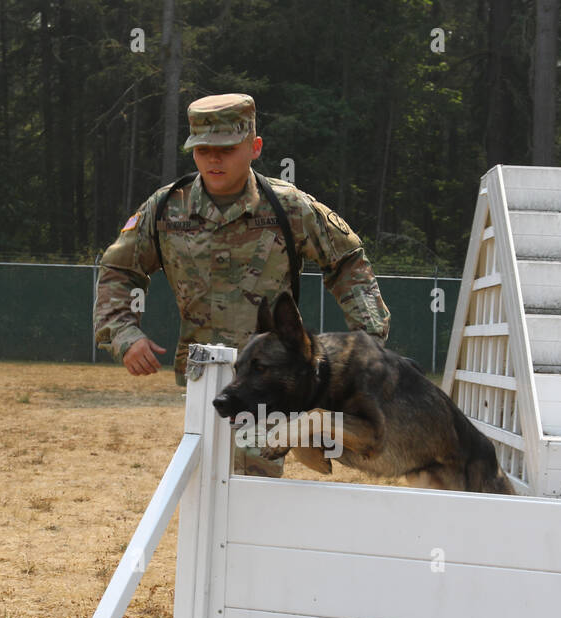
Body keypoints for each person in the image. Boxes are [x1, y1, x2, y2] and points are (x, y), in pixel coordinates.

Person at [92, 93, 391, 476]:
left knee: (251, 476)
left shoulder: (288, 208)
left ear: (255, 147)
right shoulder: (167, 208)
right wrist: (124, 332)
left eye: (227, 149)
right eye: (202, 150)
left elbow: (348, 263)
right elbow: (119, 269)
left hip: (270, 378)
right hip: (202, 378)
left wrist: (368, 342)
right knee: (207, 479)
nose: (213, 160)